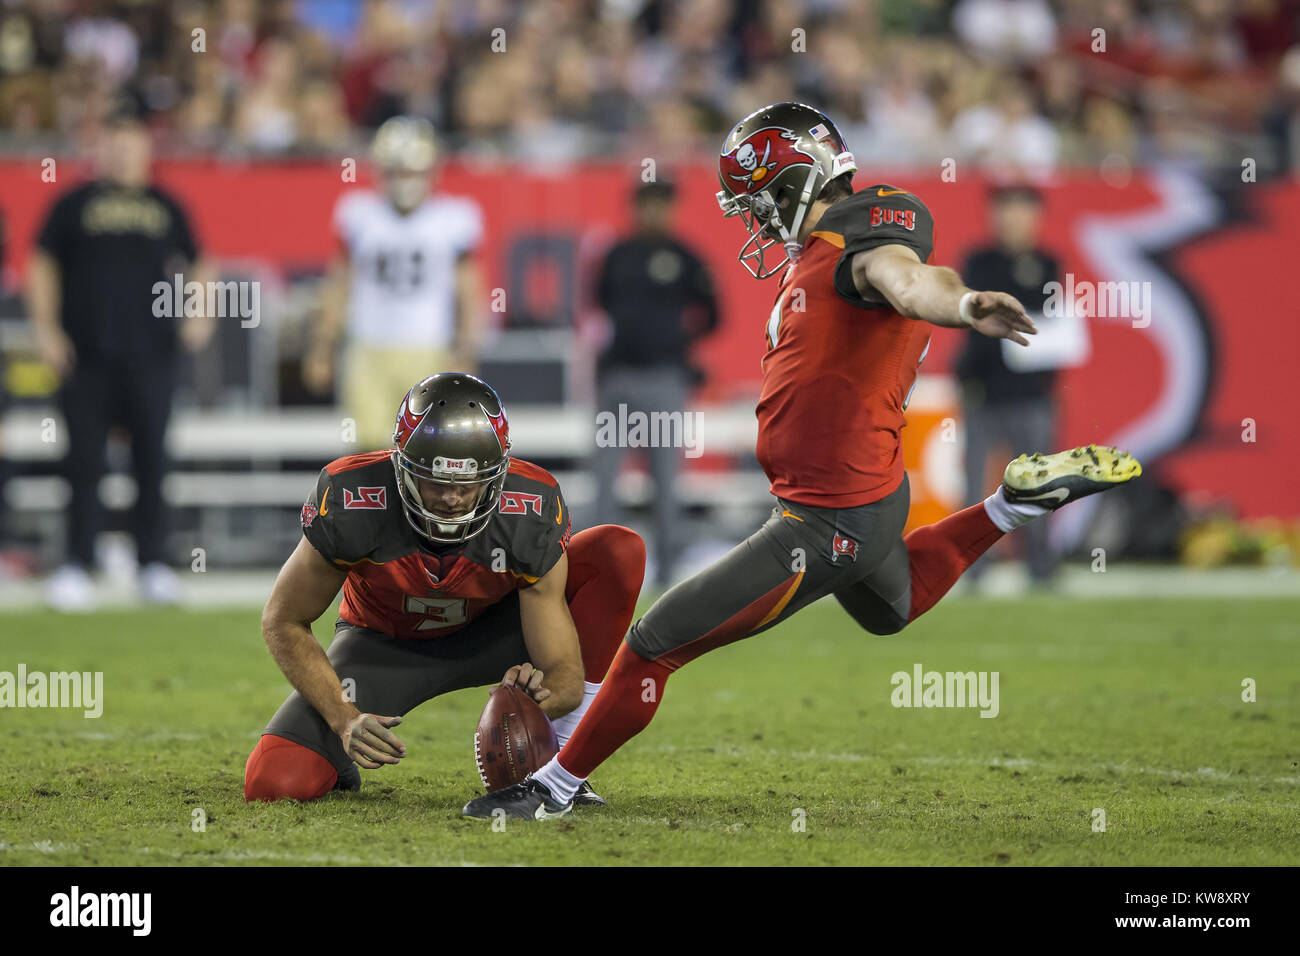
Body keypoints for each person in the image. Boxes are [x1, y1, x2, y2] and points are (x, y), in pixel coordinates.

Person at [463, 102, 1141, 820]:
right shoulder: (818, 254)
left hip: (825, 520)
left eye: (757, 202)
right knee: (895, 605)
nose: (752, 220)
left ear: (792, 183)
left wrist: (966, 304)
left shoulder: (868, 236)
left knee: (657, 640)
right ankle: (1011, 505)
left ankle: (553, 788)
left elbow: (909, 280)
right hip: (869, 500)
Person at [245, 373, 646, 804]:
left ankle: (560, 769)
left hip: (494, 635)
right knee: (275, 782)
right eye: (436, 481)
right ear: (402, 466)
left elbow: (565, 675)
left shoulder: (528, 507)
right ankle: (338, 761)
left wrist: (534, 704)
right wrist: (344, 717)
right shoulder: (355, 498)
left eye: (467, 482)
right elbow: (283, 619)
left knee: (617, 552)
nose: (452, 498)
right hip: (383, 646)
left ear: (496, 474)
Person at [26, 97, 214, 610]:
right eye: (113, 141)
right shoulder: (73, 204)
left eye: (131, 141)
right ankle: (76, 565)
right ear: (100, 146)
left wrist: (199, 314)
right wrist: (45, 329)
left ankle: (152, 563)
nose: (122, 151)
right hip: (84, 354)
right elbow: (42, 265)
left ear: (146, 147)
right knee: (82, 461)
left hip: (152, 353)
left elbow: (200, 263)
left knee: (152, 458)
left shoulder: (166, 205)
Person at [302, 117, 484, 450]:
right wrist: (322, 345)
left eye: (412, 171)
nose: (404, 181)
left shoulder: (453, 217)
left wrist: (465, 349)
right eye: (397, 170)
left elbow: (469, 292)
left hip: (429, 347)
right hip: (369, 346)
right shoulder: (359, 214)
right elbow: (339, 284)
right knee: (369, 451)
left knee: (429, 450)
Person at [591, 177, 719, 587]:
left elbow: (714, 313)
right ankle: (602, 574)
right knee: (605, 482)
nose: (653, 213)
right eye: (646, 204)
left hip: (664, 381)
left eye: (660, 204)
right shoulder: (617, 255)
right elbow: (601, 301)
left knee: (665, 482)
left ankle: (665, 575)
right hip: (619, 379)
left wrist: (676, 344)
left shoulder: (685, 258)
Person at [955, 184, 1062, 585]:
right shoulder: (979, 260)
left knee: (1037, 484)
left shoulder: (1047, 262)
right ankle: (972, 568)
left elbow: (1046, 315)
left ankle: (1040, 568)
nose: (1010, 219)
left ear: (1036, 217)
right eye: (1004, 210)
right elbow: (983, 308)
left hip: (1031, 393)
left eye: (1019, 210)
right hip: (982, 390)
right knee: (975, 487)